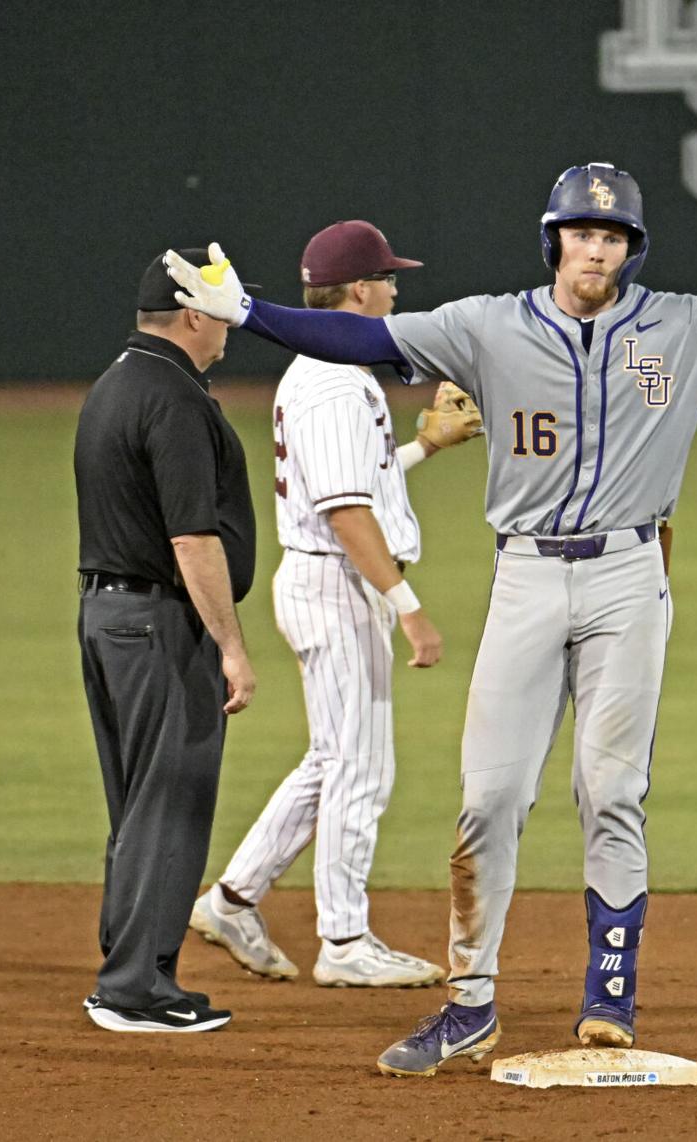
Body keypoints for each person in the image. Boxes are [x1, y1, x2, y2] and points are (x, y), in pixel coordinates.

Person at [163, 162, 697, 1073]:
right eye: (583, 232)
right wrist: (249, 312)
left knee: (609, 794)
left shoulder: (680, 328)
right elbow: (358, 337)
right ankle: (470, 1003)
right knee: (488, 797)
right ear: (555, 239)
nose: (597, 249)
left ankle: (610, 993)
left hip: (626, 577)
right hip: (525, 579)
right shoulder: (487, 325)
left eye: (613, 237)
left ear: (630, 248)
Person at [188, 221, 481, 988]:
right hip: (335, 585)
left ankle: (231, 899)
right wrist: (407, 604)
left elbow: (359, 483)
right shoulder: (331, 382)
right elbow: (346, 512)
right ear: (358, 291)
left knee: (333, 760)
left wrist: (426, 448)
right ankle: (345, 941)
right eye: (387, 279)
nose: (395, 291)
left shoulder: (331, 372)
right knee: (362, 769)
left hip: (331, 579)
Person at [74, 249, 258, 1033]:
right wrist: (231, 644)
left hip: (108, 617)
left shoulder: (117, 382)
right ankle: (135, 990)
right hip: (157, 624)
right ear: (191, 317)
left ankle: (125, 971)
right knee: (170, 804)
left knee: (139, 805)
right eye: (223, 316)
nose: (230, 330)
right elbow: (193, 539)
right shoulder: (175, 397)